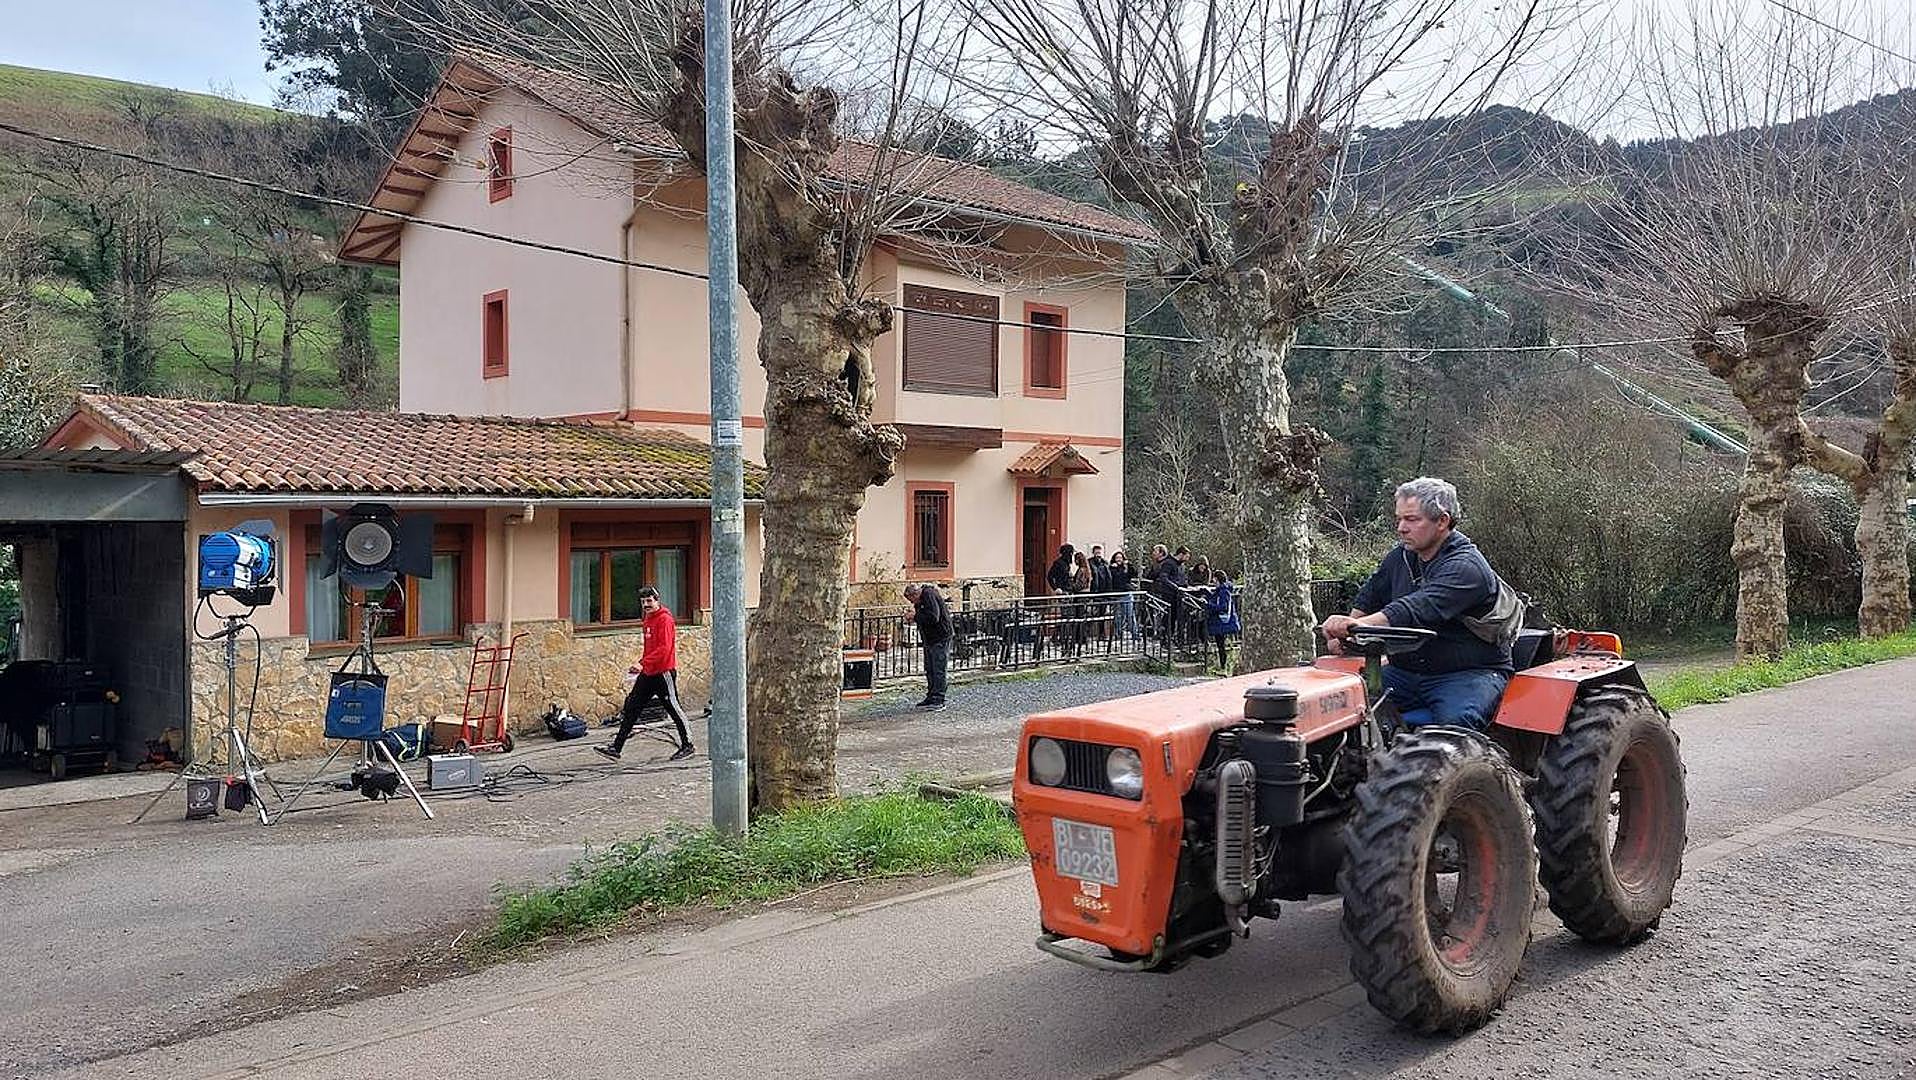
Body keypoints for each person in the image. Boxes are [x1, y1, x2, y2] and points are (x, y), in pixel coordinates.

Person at [1319, 476, 1514, 730]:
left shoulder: (1467, 568)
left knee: (1454, 729)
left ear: (1442, 521)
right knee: (1338, 702)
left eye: (1411, 519)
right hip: (1405, 671)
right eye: (1399, 519)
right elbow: (1371, 595)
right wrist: (1345, 636)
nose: (1401, 527)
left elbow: (1416, 609)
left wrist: (1354, 625)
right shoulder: (1401, 556)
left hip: (1467, 674)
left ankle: (1470, 768)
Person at [597, 586, 695, 761]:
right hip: (648, 673)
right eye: (643, 602)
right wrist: (641, 666)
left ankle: (688, 745)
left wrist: (642, 663)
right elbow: (650, 648)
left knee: (674, 709)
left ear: (657, 600)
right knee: (632, 708)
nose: (646, 605)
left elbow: (664, 649)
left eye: (649, 601)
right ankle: (616, 748)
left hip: (663, 673)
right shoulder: (648, 619)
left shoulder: (664, 619)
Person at [904, 583, 951, 710]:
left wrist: (915, 616)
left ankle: (939, 699)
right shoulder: (921, 599)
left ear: (915, 594)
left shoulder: (929, 595)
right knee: (930, 669)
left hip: (940, 637)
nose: (912, 602)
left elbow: (933, 617)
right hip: (930, 639)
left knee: (938, 669)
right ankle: (931, 696)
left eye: (911, 599)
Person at [1203, 570, 1240, 671]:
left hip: (1222, 622)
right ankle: (1222, 665)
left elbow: (1223, 607)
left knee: (1221, 645)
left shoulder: (1223, 591)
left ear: (1216, 579)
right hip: (1220, 622)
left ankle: (1223, 665)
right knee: (1221, 644)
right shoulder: (1221, 590)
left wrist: (1208, 605)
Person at [1109, 549, 1140, 636]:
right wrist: (1114, 568)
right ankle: (1119, 634)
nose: (1119, 559)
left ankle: (1135, 634)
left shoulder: (1126, 567)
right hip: (1116, 594)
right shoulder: (1112, 568)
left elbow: (1134, 574)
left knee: (1130, 615)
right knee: (1118, 616)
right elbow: (1115, 579)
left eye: (1120, 558)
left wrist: (1128, 565)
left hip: (1126, 593)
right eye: (1117, 558)